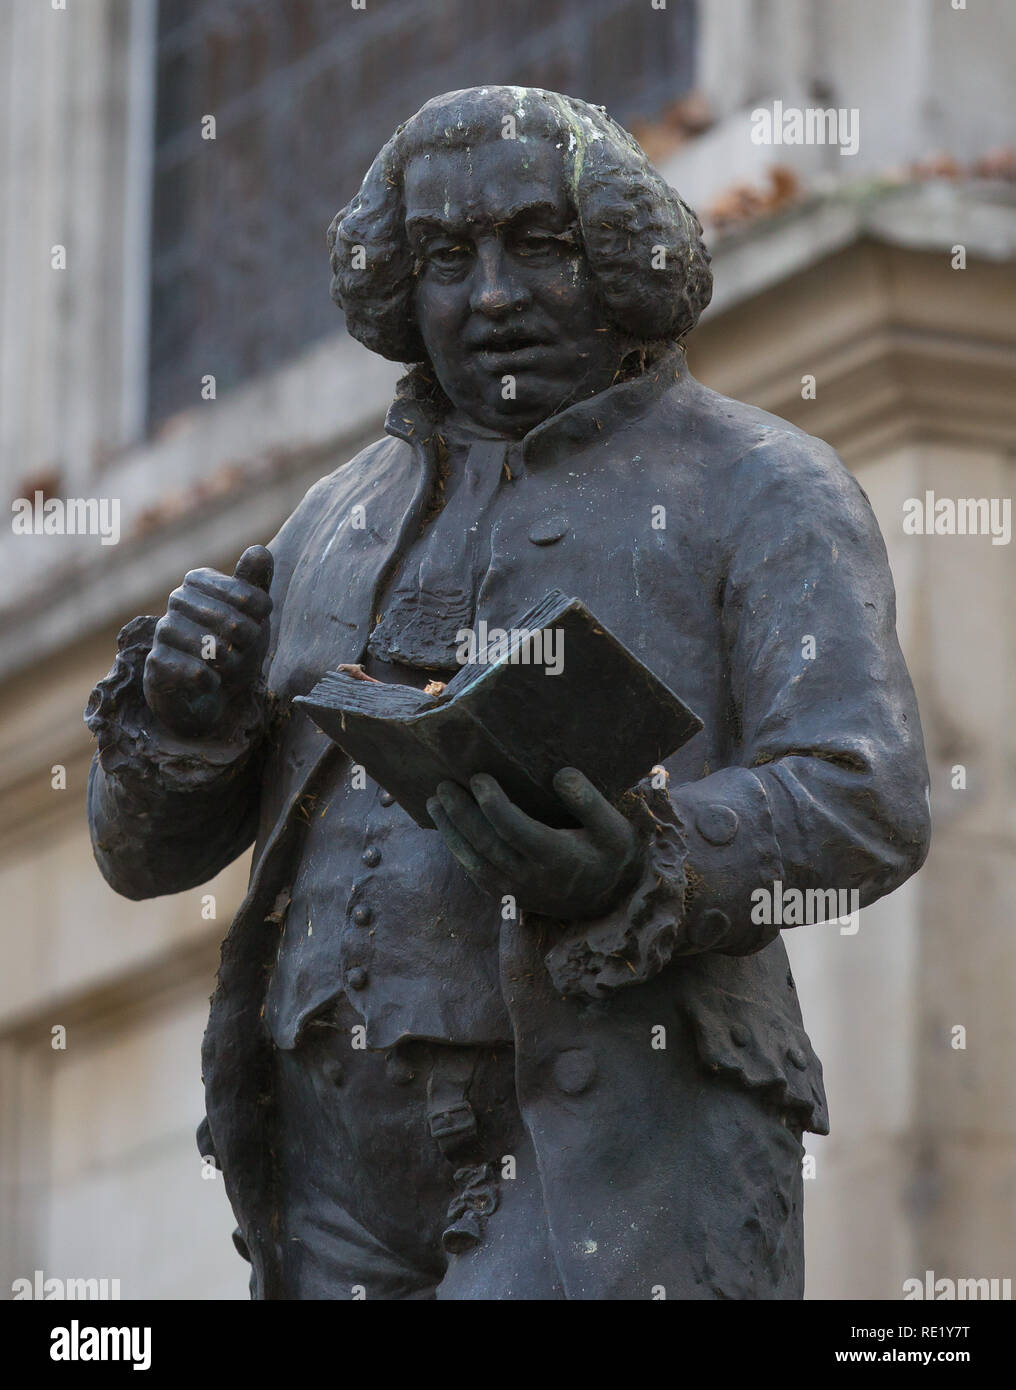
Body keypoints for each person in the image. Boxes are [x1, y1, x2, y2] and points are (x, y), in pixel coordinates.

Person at [85, 86, 931, 1299]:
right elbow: (140, 860)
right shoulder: (333, 517)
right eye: (444, 257)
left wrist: (650, 861)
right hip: (329, 1175)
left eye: (537, 244)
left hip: (611, 1142)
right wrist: (185, 716)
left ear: (619, 256)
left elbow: (871, 797)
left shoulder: (761, 484)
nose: (490, 296)